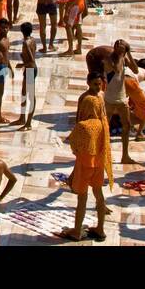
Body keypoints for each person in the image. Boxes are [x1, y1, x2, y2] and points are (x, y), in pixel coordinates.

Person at [60, 73, 113, 242]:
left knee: (82, 198)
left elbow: (75, 146)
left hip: (85, 164)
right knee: (98, 193)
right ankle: (100, 229)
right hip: (99, 162)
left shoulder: (83, 126)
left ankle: (76, 231)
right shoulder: (102, 122)